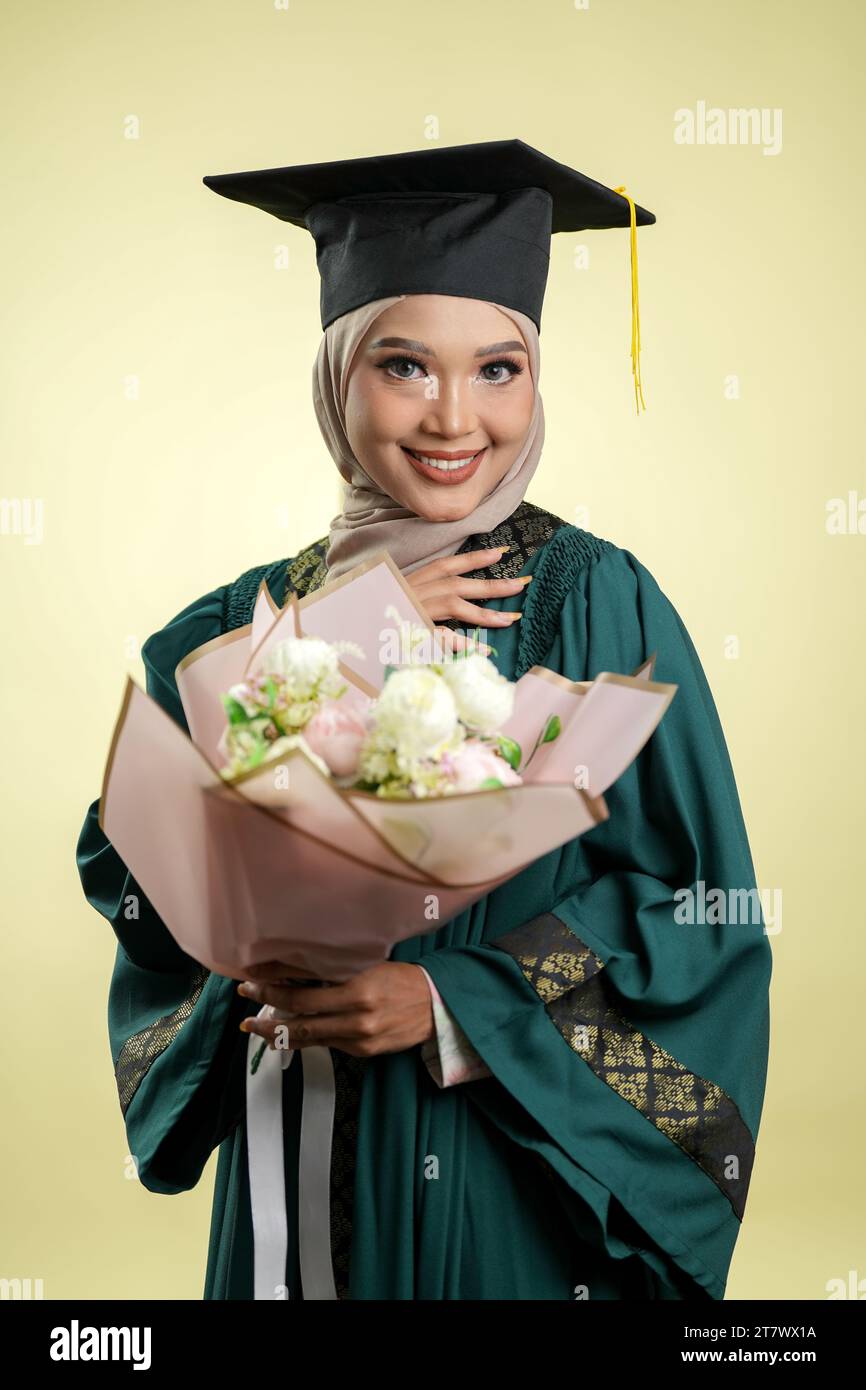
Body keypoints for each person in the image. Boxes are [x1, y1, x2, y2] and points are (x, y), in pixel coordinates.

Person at [76, 141, 772, 1300]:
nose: (456, 417)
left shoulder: (587, 599)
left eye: (499, 369)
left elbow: (696, 908)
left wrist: (452, 1001)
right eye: (405, 365)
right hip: (283, 1138)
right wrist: (327, 637)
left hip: (500, 1172)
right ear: (334, 378)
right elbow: (129, 865)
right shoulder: (237, 618)